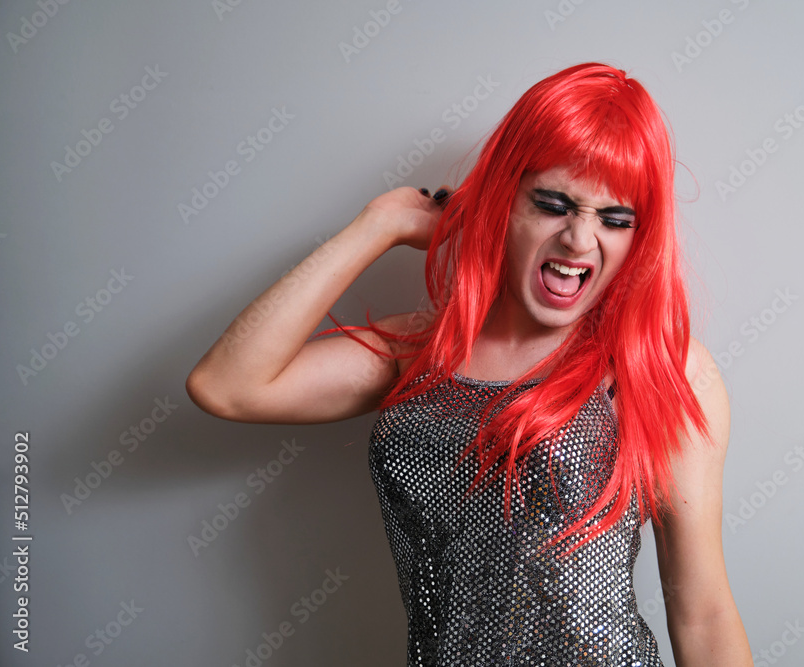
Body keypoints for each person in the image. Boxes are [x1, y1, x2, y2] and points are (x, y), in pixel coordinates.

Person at [186, 62, 752, 666]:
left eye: (614, 219)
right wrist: (379, 226)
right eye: (554, 204)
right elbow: (227, 386)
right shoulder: (419, 350)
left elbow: (702, 608)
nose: (580, 241)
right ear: (503, 198)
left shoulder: (661, 369)